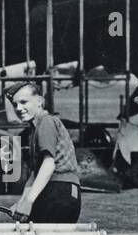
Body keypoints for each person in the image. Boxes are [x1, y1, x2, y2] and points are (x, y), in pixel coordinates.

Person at [5, 80, 81, 222]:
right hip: (55, 189)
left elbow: (49, 164)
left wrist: (28, 202)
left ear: (39, 101)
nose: (18, 108)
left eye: (23, 102)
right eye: (15, 104)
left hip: (60, 190)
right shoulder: (34, 129)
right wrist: (21, 202)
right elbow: (35, 173)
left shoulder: (46, 122)